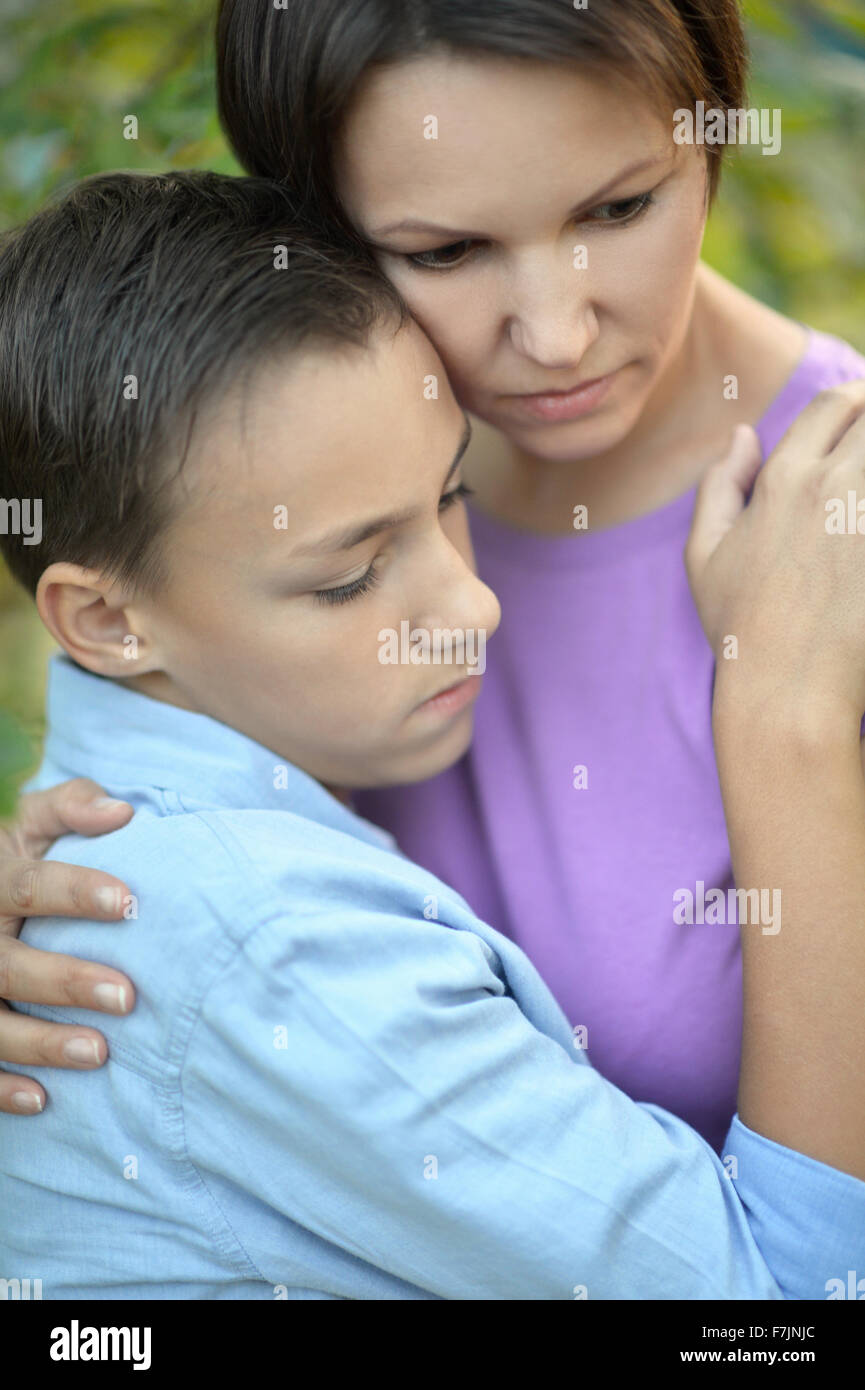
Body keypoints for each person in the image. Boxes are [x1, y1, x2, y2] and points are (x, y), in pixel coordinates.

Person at [2, 1, 863, 1153]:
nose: (556, 336)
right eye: (442, 251)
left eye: (618, 208)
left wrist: (781, 725)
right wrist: (71, 919)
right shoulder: (232, 497)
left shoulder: (834, 518)